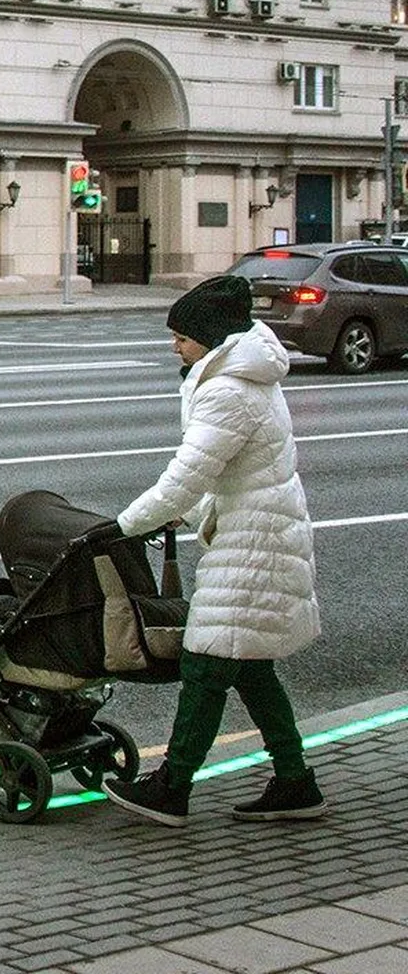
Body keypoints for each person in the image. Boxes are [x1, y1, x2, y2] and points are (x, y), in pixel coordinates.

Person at [100, 275, 326, 827]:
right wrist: (196, 514)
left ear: (209, 337)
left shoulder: (228, 391)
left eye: (181, 337)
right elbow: (233, 477)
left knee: (204, 663)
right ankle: (295, 782)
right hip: (255, 532)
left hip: (254, 544)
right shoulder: (242, 378)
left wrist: (124, 526)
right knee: (248, 666)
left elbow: (187, 475)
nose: (174, 346)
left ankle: (172, 787)